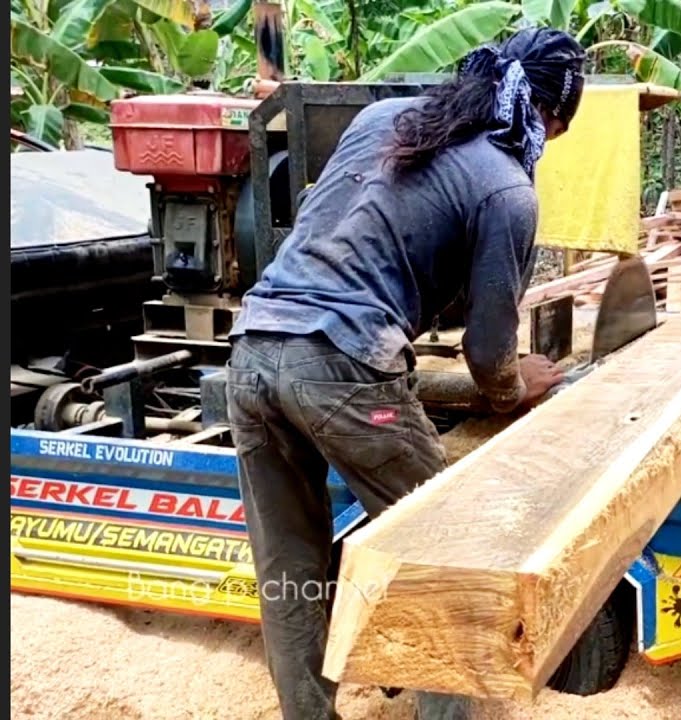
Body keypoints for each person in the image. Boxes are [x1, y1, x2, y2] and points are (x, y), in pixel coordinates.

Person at [222, 28, 584, 720]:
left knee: (289, 567)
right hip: (343, 365)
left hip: (254, 347)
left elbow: (353, 228)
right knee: (452, 552)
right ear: (543, 116)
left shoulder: (380, 120)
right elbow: (488, 352)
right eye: (558, 131)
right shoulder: (508, 188)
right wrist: (514, 387)